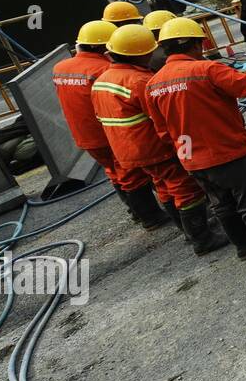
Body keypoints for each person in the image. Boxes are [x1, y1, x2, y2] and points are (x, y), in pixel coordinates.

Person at [146, 17, 246, 261]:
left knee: (221, 204)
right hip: (227, 151)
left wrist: (189, 151)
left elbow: (162, 131)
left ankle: (244, 248)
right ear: (195, 45)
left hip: (192, 158)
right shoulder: (207, 70)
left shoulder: (153, 84)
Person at [91, 24, 230, 255]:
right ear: (142, 53)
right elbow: (164, 117)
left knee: (164, 186)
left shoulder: (103, 79)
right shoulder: (138, 81)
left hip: (127, 150)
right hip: (153, 148)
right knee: (185, 189)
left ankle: (187, 231)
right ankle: (202, 239)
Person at [54, 20, 170, 230]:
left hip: (85, 136)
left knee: (113, 171)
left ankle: (135, 212)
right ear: (102, 47)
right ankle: (150, 217)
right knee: (130, 175)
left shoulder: (60, 68)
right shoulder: (104, 70)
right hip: (110, 133)